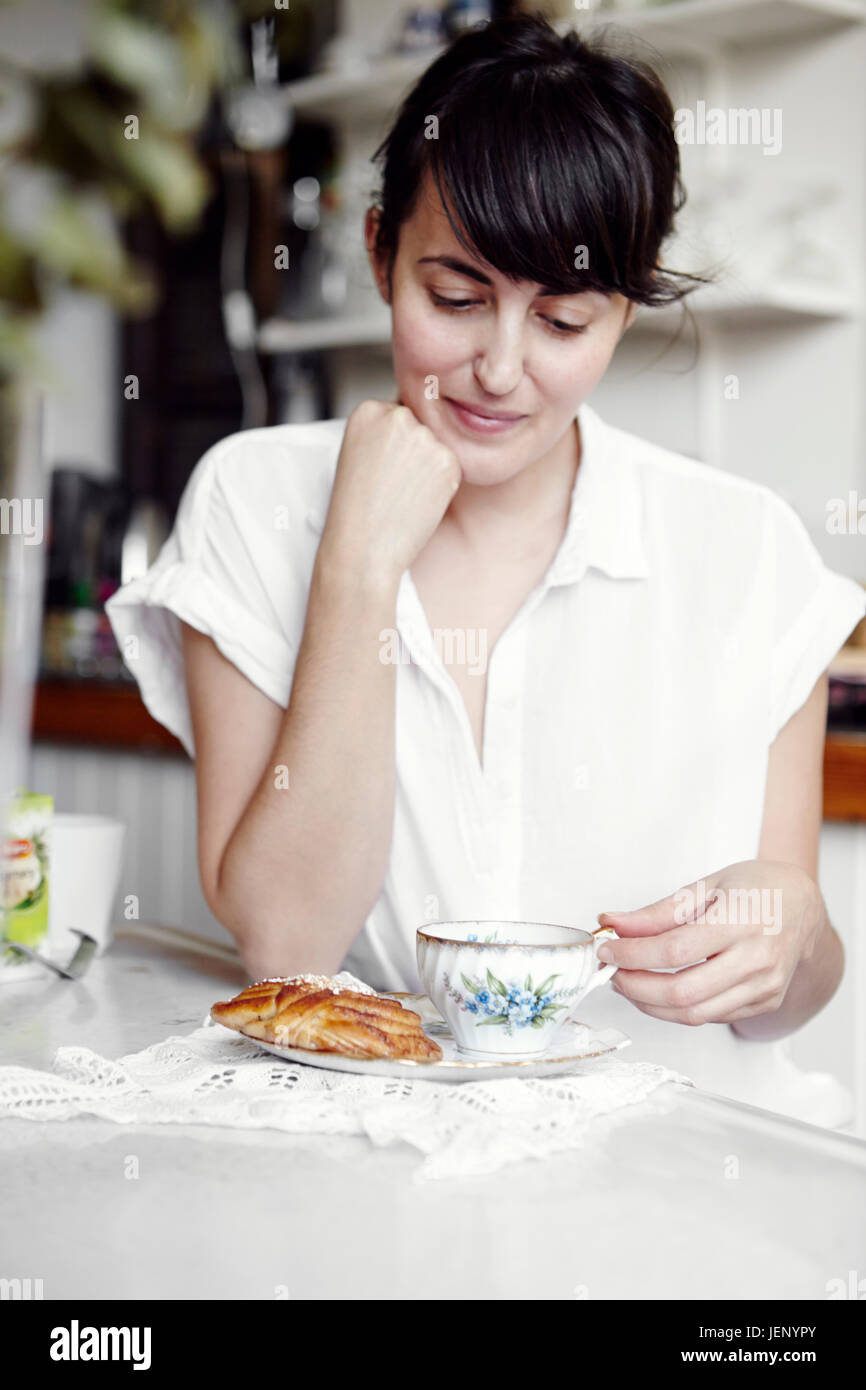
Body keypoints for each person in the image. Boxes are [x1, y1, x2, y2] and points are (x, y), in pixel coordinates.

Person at [105, 14, 866, 1124]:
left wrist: (793, 932)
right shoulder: (257, 498)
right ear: (378, 253)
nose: (499, 370)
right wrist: (357, 566)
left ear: (625, 302)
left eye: (562, 318)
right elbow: (285, 941)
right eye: (454, 298)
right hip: (383, 1162)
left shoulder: (742, 550)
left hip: (676, 1163)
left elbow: (781, 1004)